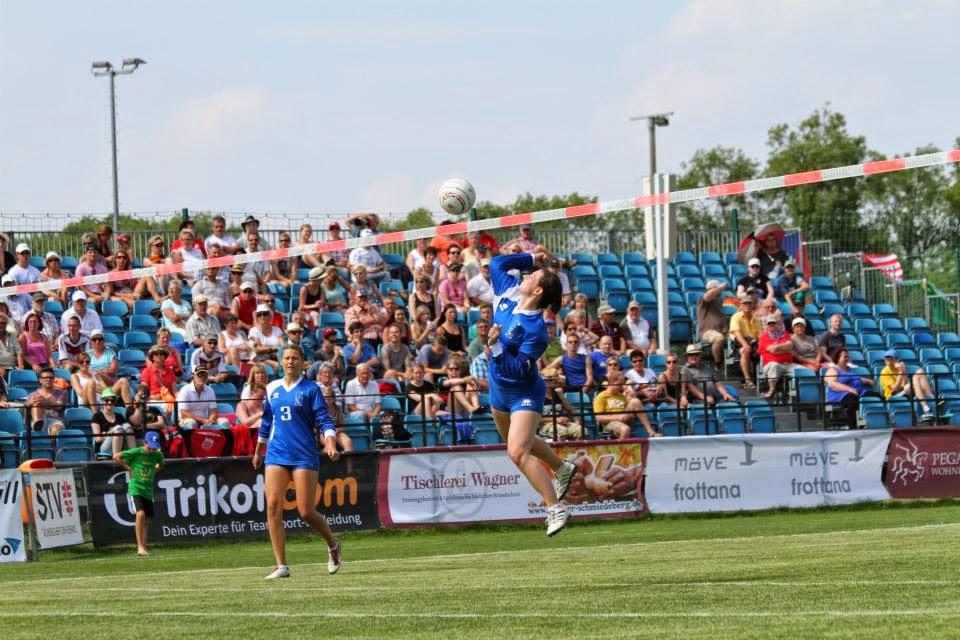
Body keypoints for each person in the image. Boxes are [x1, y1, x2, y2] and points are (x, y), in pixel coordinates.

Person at [486, 250, 575, 536]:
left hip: (523, 390)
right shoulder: (507, 291)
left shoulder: (536, 330)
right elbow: (498, 263)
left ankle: (554, 508)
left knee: (517, 452)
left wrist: (495, 346)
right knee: (516, 442)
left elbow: (517, 370)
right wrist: (531, 258)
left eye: (532, 276)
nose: (526, 274)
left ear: (537, 291)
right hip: (497, 387)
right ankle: (561, 468)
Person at [114, 430, 164, 556]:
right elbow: (117, 457)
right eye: (150, 447)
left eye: (154, 447)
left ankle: (144, 546)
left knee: (147, 519)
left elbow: (161, 465)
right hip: (136, 488)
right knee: (140, 514)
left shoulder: (158, 455)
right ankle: (140, 547)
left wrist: (153, 472)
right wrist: (129, 468)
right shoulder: (137, 452)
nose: (152, 450)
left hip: (148, 490)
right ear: (144, 442)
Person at [825, 347, 880, 430]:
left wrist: (869, 381)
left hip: (857, 392)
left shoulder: (849, 370)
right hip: (839, 395)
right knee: (852, 399)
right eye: (845, 357)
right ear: (838, 358)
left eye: (848, 356)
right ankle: (853, 426)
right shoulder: (832, 370)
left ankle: (877, 423)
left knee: (876, 396)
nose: (847, 358)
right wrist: (849, 389)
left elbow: (857, 378)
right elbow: (833, 384)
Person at [592, 371, 658, 439]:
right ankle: (621, 449)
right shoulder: (601, 397)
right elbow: (599, 418)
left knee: (635, 401)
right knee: (625, 429)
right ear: (612, 383)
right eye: (620, 384)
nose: (622, 387)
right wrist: (618, 418)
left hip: (625, 419)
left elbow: (628, 412)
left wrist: (631, 396)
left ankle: (651, 432)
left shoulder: (622, 396)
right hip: (610, 423)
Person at [879, 349, 937, 420]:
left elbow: (904, 384)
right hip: (893, 395)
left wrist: (903, 371)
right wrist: (901, 372)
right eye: (887, 360)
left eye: (891, 359)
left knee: (920, 371)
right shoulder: (884, 372)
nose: (889, 362)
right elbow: (894, 388)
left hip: (903, 391)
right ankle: (929, 406)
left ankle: (930, 403)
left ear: (896, 360)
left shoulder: (898, 368)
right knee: (915, 379)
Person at [538, 368, 583, 441]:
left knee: (580, 430)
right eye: (548, 381)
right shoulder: (537, 396)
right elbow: (537, 419)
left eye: (555, 381)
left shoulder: (558, 394)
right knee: (561, 431)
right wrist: (555, 420)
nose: (554, 383)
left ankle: (578, 451)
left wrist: (561, 396)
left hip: (563, 423)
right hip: (546, 425)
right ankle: (559, 452)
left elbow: (571, 410)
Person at [758, 314, 796, 398]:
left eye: (773, 323)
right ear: (766, 325)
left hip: (787, 364)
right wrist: (785, 348)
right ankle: (771, 390)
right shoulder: (764, 337)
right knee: (774, 366)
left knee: (804, 371)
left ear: (777, 324)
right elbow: (773, 351)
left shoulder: (784, 334)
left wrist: (777, 347)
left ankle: (798, 392)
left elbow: (790, 346)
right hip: (771, 364)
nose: (772, 325)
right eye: (769, 324)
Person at [729, 293, 762, 387]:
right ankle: (748, 379)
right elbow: (737, 333)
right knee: (745, 351)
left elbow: (760, 336)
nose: (747, 305)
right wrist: (745, 344)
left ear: (752, 305)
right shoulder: (736, 317)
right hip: (739, 341)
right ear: (741, 305)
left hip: (753, 341)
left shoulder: (756, 319)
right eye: (744, 304)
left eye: (749, 303)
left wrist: (761, 347)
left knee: (764, 351)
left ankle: (762, 378)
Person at [92, 388, 135, 457]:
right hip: (104, 447)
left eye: (112, 400)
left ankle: (133, 454)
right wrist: (111, 432)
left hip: (121, 444)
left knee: (127, 426)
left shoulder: (119, 416)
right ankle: (116, 457)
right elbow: (98, 439)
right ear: (102, 401)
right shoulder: (97, 417)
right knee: (118, 429)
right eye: (107, 400)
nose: (110, 402)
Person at [26, 367, 67, 436]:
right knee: (36, 404)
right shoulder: (33, 394)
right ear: (40, 380)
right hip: (39, 418)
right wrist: (28, 403)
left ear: (54, 379)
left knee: (56, 429)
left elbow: (59, 407)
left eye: (51, 377)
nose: (48, 379)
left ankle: (51, 445)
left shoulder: (61, 393)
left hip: (55, 420)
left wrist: (44, 401)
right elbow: (25, 405)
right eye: (45, 378)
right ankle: (38, 425)